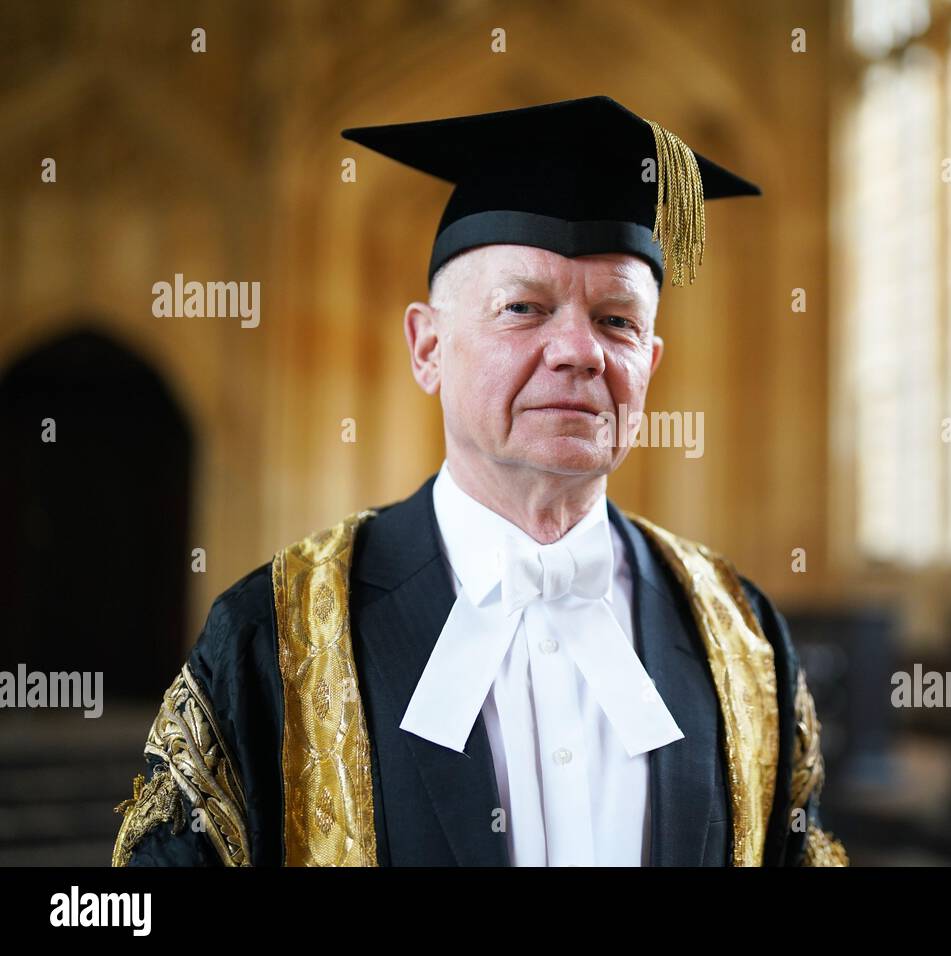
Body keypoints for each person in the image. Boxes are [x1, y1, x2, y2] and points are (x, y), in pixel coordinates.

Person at [111, 95, 848, 867]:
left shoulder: (743, 636)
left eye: (618, 320)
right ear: (428, 347)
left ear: (649, 366)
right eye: (523, 308)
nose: (579, 351)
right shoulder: (277, 635)